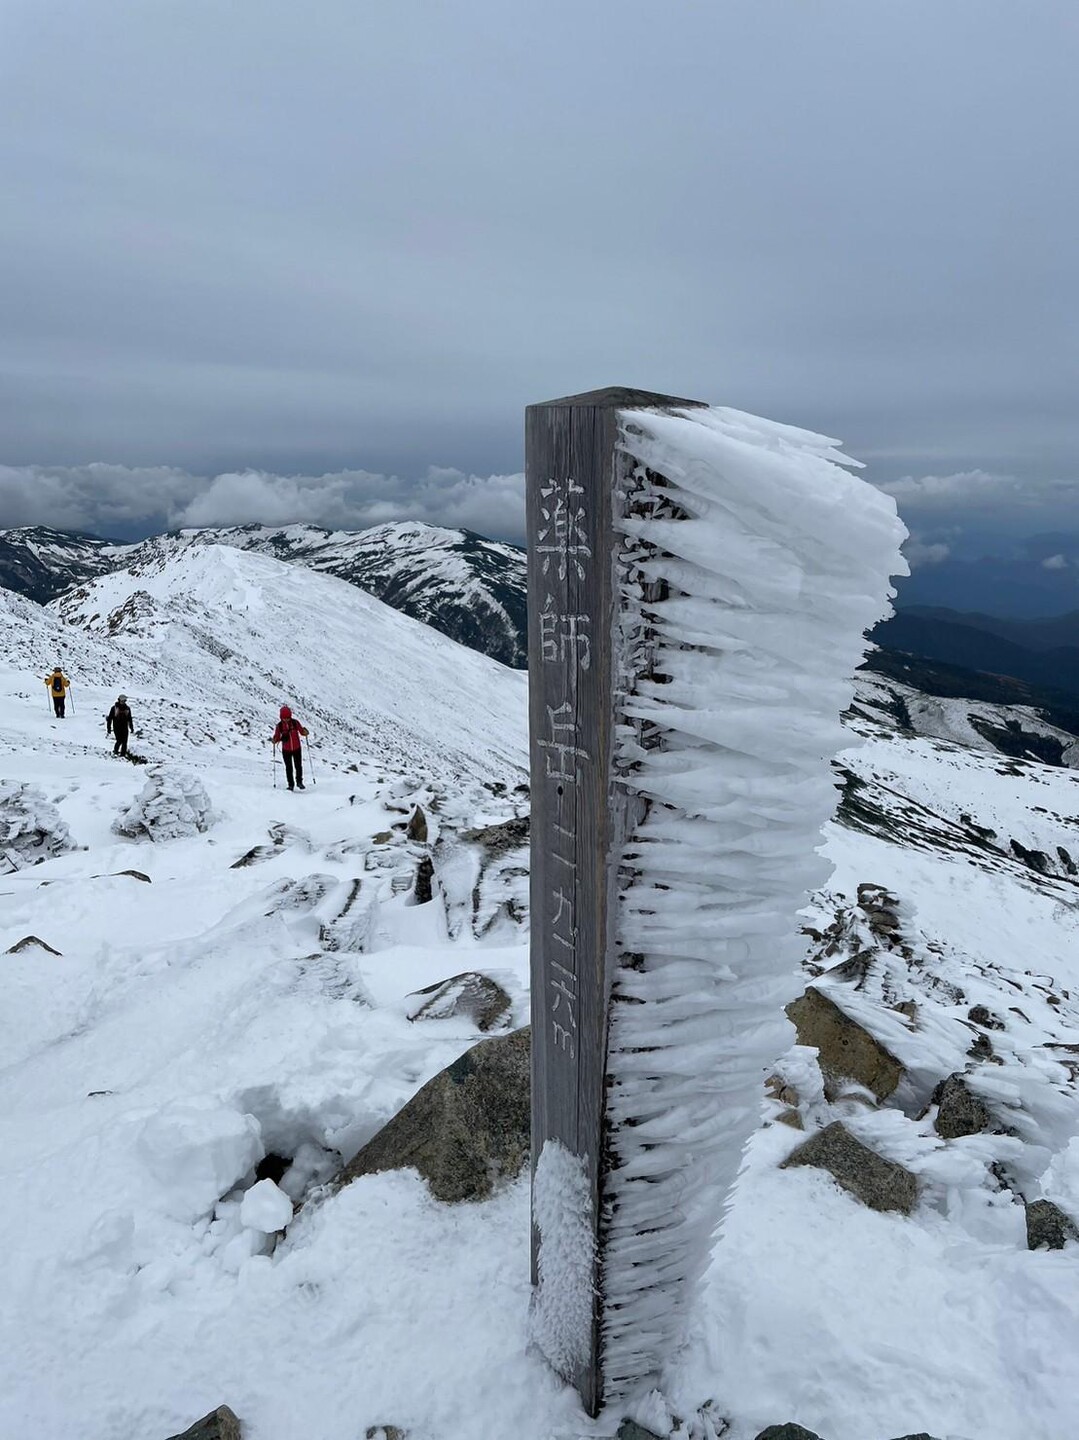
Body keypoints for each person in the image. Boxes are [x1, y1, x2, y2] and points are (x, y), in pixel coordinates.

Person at [271, 705, 309, 790]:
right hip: (286, 750)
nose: (286, 719)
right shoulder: (279, 726)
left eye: (288, 717)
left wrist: (305, 732)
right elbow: (277, 736)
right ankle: (291, 785)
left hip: (297, 748)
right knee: (289, 768)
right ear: (281, 717)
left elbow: (301, 731)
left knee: (298, 766)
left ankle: (299, 782)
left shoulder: (295, 723)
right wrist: (274, 740)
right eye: (284, 718)